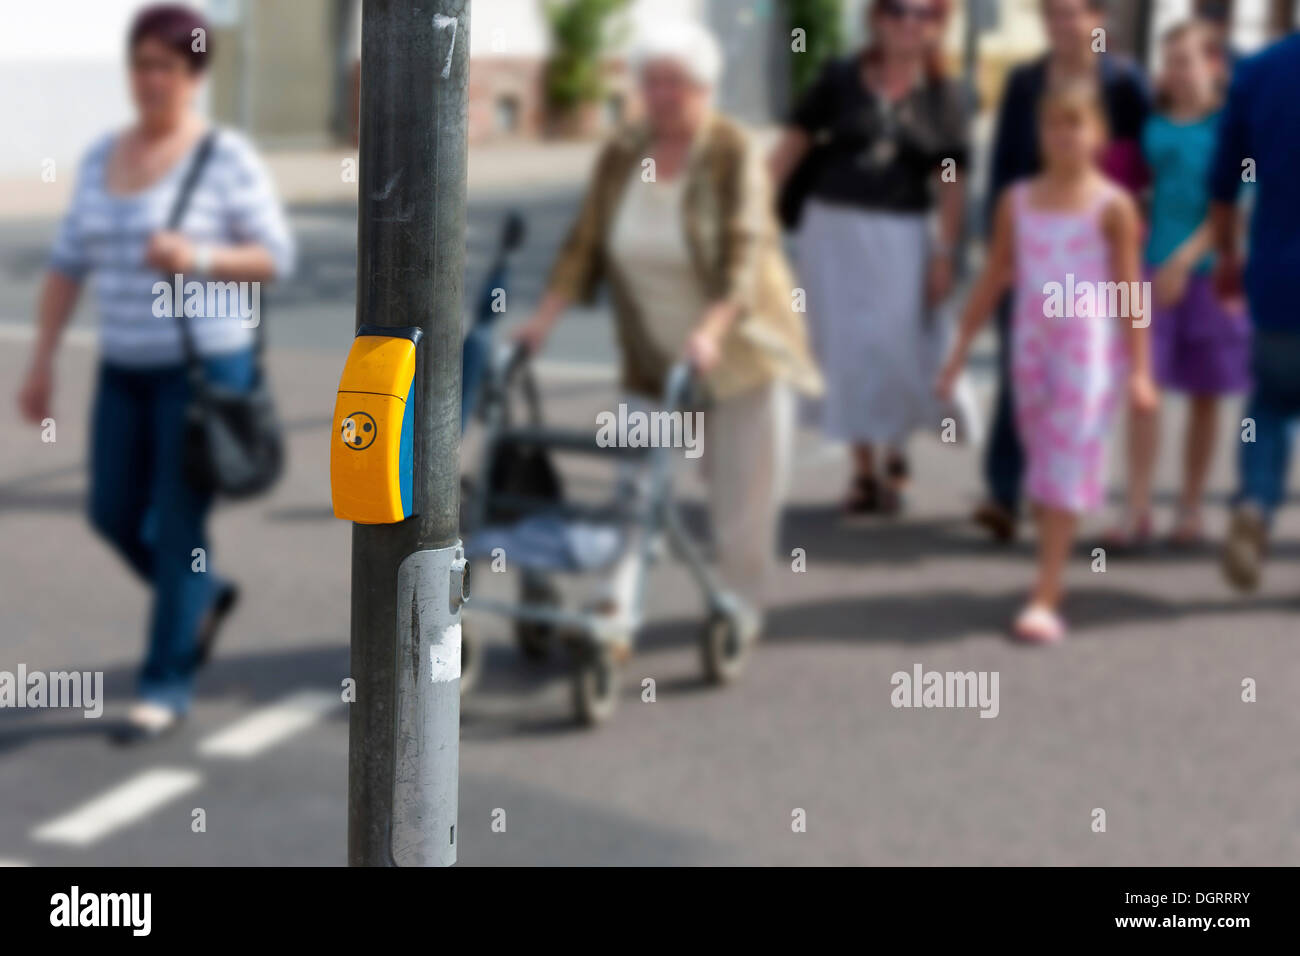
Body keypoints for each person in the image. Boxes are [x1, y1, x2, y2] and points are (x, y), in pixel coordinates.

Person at [15, 4, 294, 742]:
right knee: (109, 511)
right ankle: (205, 594)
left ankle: (164, 683)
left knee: (177, 526)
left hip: (200, 371)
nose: (150, 79)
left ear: (195, 75)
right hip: (125, 368)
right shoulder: (104, 155)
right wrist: (41, 360)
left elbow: (275, 257)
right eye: (140, 64)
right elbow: (67, 264)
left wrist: (197, 258)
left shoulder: (224, 157)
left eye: (166, 66)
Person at [513, 21, 821, 641]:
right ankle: (613, 607)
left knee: (743, 505)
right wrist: (540, 323)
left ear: (704, 88)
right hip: (655, 356)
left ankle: (737, 605)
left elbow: (744, 250)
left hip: (738, 353)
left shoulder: (730, 151)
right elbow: (584, 243)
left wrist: (710, 331)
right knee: (632, 486)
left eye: (675, 83)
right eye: (651, 82)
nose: (661, 95)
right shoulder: (624, 151)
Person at [938, 82, 1156, 642]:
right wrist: (958, 352)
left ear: (1098, 135)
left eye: (1075, 124)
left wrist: (1139, 370)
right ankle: (1049, 564)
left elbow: (1132, 292)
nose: (1063, 136)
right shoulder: (1017, 200)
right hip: (1031, 347)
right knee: (1042, 463)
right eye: (1052, 125)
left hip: (1087, 351)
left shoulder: (1114, 205)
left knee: (1064, 459)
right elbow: (993, 277)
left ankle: (1046, 590)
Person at [769, 0, 969, 516]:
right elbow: (787, 152)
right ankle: (862, 470)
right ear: (877, 18)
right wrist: (754, 224)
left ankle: (897, 454)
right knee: (846, 351)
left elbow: (950, 179)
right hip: (831, 233)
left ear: (937, 26)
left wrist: (945, 251)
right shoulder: (838, 79)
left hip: (904, 236)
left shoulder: (944, 95)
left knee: (899, 347)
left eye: (924, 15)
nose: (910, 23)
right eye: (899, 11)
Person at [975, 0, 1152, 541]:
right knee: (1019, 373)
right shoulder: (1026, 81)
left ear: (1098, 19)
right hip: (1034, 244)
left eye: (1074, 13)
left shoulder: (1122, 81)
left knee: (1077, 384)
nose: (1063, 24)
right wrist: (996, 248)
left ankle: (1059, 493)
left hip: (1094, 253)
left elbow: (1149, 155)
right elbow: (1004, 164)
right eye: (1053, 14)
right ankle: (1005, 493)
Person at [1108, 21, 1249, 548]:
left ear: (1214, 65)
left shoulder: (1232, 129)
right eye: (1170, 63)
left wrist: (1185, 261)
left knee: (1207, 397)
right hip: (1150, 276)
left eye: (1187, 61)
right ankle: (1136, 506)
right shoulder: (1154, 129)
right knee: (1143, 393)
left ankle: (1190, 507)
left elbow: (1232, 209)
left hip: (1211, 279)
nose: (1177, 74)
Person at [1210, 31, 1300, 592]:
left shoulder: (1261, 70)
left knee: (1268, 403)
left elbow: (1226, 180)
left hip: (1277, 271)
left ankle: (1255, 503)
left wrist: (1226, 254)